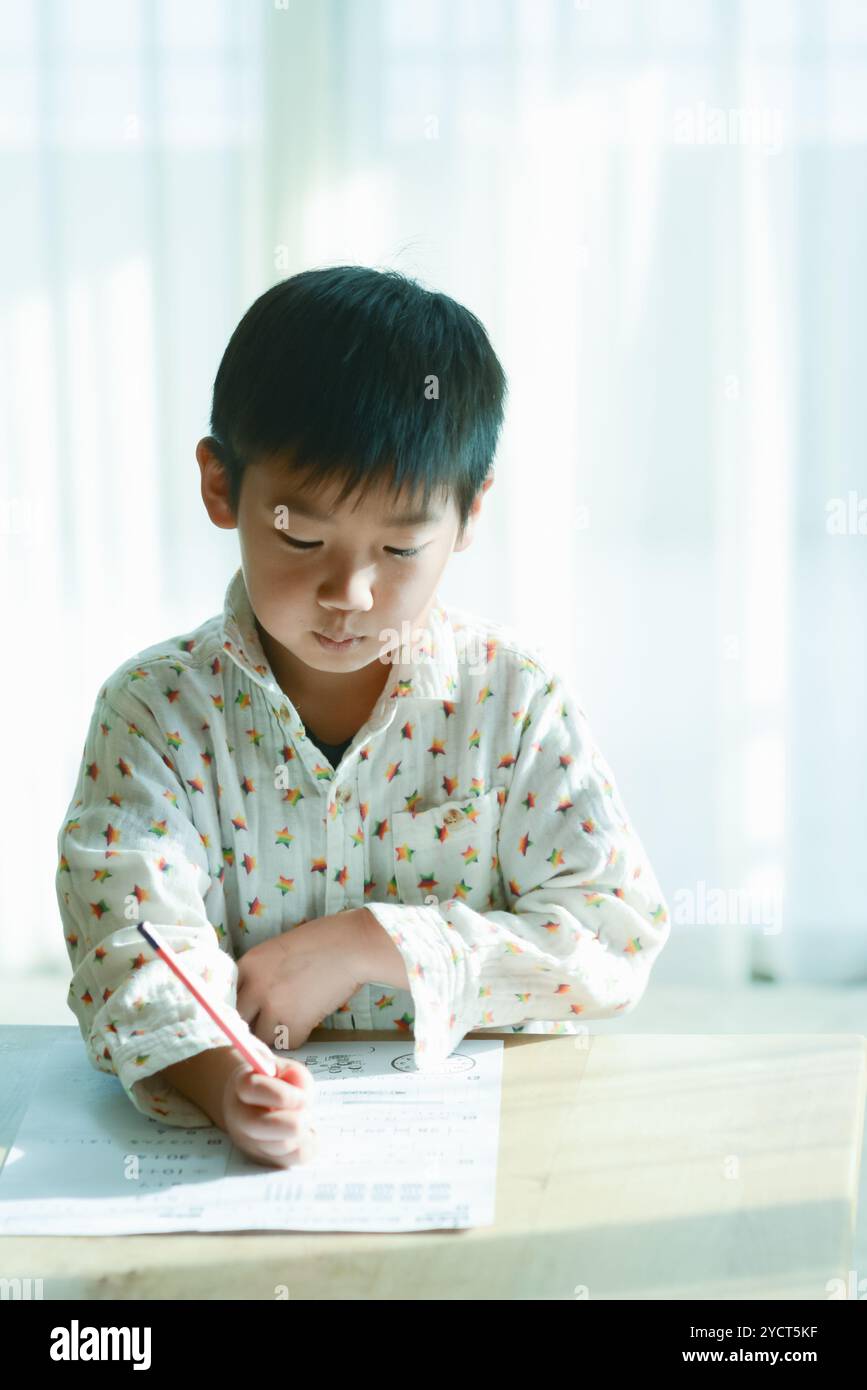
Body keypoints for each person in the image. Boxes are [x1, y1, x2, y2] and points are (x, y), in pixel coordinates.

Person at [56, 265, 670, 1169]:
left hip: (481, 1149)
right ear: (220, 486)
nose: (349, 593)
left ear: (469, 514)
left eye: (400, 547)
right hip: (241, 1158)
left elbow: (612, 934)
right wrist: (227, 1080)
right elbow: (126, 942)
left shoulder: (513, 702)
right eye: (301, 538)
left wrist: (375, 941)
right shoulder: (155, 713)